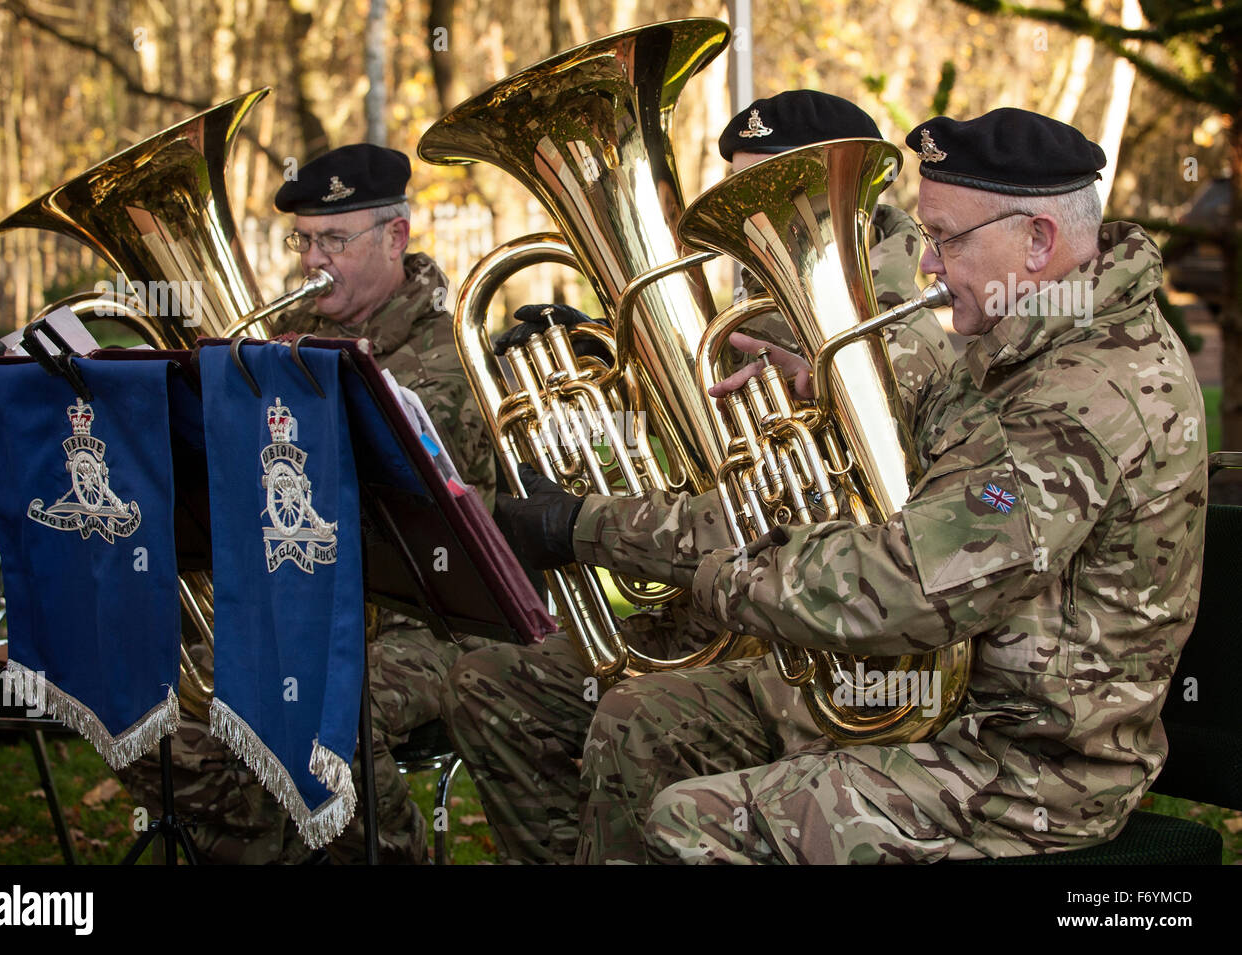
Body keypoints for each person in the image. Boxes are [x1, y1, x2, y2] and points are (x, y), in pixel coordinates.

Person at [502, 107, 1207, 864]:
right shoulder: (1030, 338)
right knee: (644, 720)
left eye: (946, 238)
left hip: (1024, 770)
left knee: (691, 820)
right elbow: (954, 431)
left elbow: (909, 584)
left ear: (1037, 240)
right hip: (927, 706)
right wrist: (826, 389)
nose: (929, 264)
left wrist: (719, 579)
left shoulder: (1089, 393)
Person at [441, 91, 953, 863]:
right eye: (728, 196)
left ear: (834, 196)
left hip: (816, 651)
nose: (732, 222)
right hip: (718, 616)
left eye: (760, 196)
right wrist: (588, 380)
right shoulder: (748, 315)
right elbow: (686, 471)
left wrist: (577, 524)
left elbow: (757, 517)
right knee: (489, 684)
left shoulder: (886, 342)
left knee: (636, 716)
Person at [118, 144, 496, 864]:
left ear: (395, 237)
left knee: (321, 708)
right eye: (304, 240)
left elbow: (394, 499)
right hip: (304, 610)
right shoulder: (295, 351)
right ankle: (269, 843)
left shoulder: (450, 353)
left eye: (333, 240)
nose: (310, 261)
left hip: (431, 625)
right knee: (140, 692)